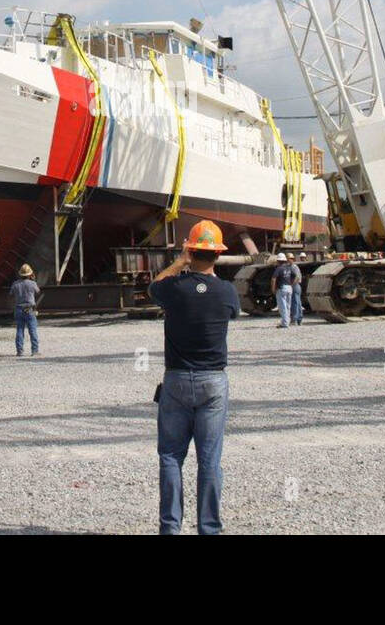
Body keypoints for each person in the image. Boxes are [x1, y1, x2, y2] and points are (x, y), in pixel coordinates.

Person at [148, 220, 239, 535]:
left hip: (175, 381)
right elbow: (232, 312)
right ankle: (209, 529)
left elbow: (152, 288)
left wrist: (179, 262)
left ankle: (170, 529)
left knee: (171, 456)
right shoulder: (227, 292)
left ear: (191, 250)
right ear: (217, 254)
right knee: (210, 460)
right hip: (213, 381)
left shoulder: (173, 289)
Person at [12, 263, 40, 356]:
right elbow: (38, 291)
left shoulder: (15, 284)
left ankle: (20, 351)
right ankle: (34, 351)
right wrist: (34, 280)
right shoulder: (33, 283)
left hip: (19, 309)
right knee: (32, 330)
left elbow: (11, 293)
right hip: (30, 309)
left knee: (20, 330)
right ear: (30, 274)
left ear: (20, 274)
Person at [272, 252, 295, 329]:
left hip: (282, 288)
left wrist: (273, 288)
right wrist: (291, 284)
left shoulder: (279, 268)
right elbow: (294, 276)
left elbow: (273, 278)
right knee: (288, 306)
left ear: (278, 261)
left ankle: (285, 323)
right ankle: (286, 321)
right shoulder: (289, 268)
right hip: (289, 288)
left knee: (282, 306)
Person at [289, 253, 304, 326]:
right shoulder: (290, 267)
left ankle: (295, 319)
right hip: (294, 286)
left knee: (295, 303)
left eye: (289, 259)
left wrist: (291, 285)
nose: (287, 261)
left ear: (292, 259)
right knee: (297, 302)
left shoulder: (294, 267)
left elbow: (297, 277)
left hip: (295, 286)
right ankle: (299, 319)